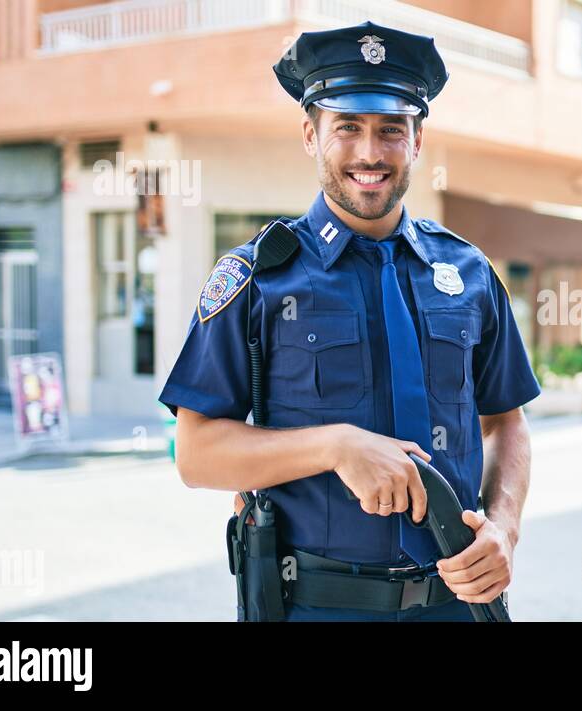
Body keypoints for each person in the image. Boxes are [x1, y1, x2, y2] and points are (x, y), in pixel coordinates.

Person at [159, 21, 540, 621]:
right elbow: (197, 453)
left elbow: (505, 423)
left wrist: (505, 525)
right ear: (311, 136)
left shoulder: (468, 271)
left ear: (417, 141)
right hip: (319, 605)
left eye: (391, 129)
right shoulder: (258, 277)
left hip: (456, 604)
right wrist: (336, 447)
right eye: (347, 127)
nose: (370, 153)